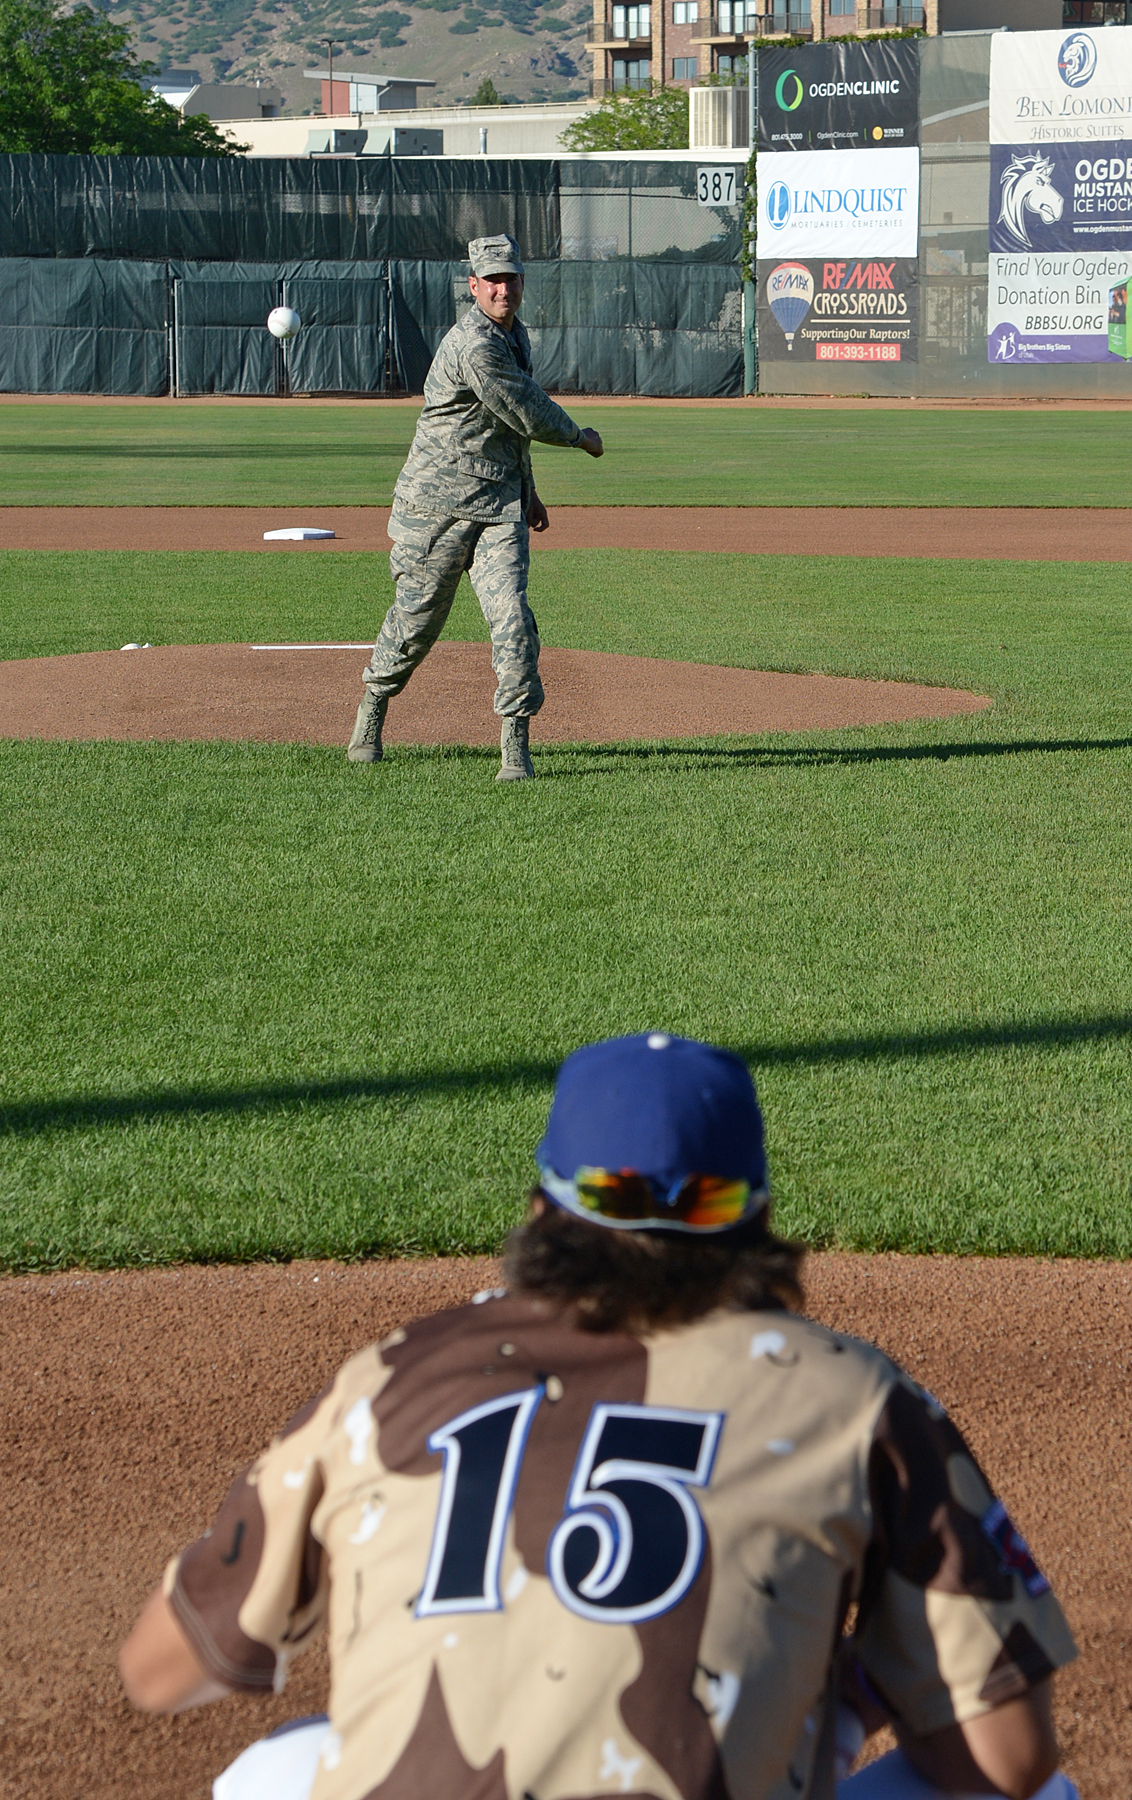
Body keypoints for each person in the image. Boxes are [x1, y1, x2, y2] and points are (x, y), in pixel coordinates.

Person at [120, 1032, 1080, 1800]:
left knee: (273, 1770)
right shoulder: (856, 1398)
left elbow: (161, 1673)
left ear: (542, 1209)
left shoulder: (391, 1379)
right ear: (755, 1217)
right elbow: (1004, 1761)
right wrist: (839, 1699)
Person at [347, 233, 605, 781]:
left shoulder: (516, 335)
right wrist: (580, 436)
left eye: (510, 278)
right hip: (438, 507)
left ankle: (515, 744)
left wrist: (528, 489)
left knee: (513, 616)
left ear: (520, 283)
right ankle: (373, 708)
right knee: (416, 622)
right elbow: (526, 410)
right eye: (492, 280)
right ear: (473, 286)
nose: (502, 288)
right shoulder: (475, 345)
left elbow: (508, 431)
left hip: (499, 506)